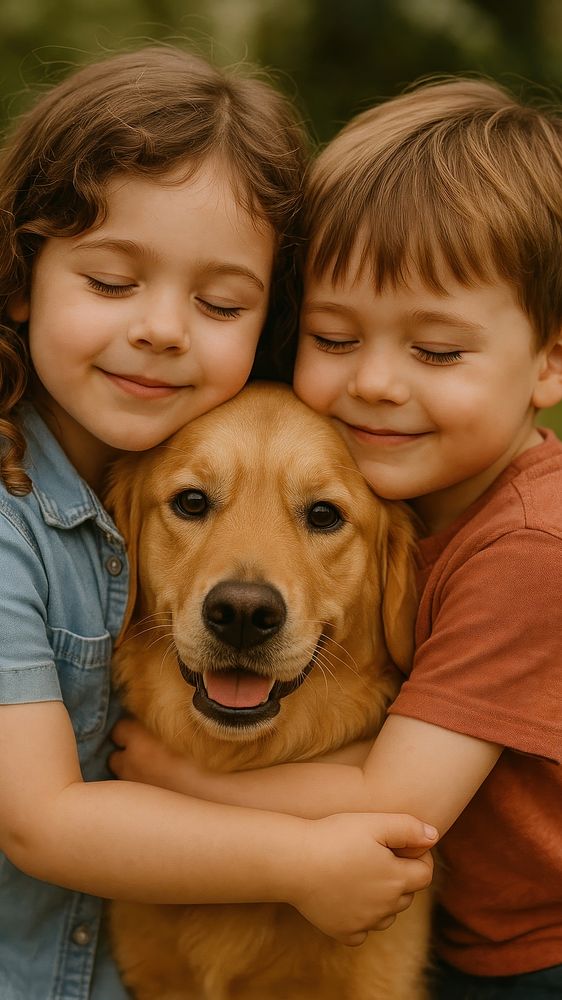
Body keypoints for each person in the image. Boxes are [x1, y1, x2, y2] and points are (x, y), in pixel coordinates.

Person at [0, 47, 438, 1000]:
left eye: (322, 516)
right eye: (192, 504)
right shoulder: (26, 525)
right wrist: (301, 861)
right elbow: (39, 817)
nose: (249, 587)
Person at [112, 79, 562, 999]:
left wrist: (159, 782)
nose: (380, 386)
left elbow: (394, 801)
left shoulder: (532, 545)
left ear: (550, 360)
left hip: (528, 952)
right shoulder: (414, 484)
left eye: (436, 351)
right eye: (333, 335)